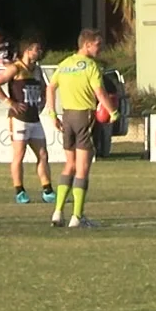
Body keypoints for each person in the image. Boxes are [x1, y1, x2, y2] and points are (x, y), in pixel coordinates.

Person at [46, 30, 119, 228]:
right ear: (86, 45)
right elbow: (100, 92)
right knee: (83, 168)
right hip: (84, 116)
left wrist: (52, 114)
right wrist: (113, 112)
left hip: (67, 116)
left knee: (69, 164)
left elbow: (50, 88)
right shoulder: (91, 66)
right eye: (97, 44)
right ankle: (77, 216)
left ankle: (57, 212)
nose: (100, 48)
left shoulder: (65, 64)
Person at [0, 39, 55, 204]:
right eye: (36, 50)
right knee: (19, 155)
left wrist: (43, 102)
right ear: (27, 50)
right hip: (19, 119)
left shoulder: (37, 70)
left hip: (34, 118)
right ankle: (19, 190)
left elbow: (44, 87)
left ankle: (47, 189)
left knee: (42, 154)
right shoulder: (15, 68)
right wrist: (9, 102)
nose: (39, 53)